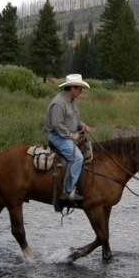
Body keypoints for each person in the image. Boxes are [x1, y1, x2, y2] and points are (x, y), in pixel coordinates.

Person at [44, 73, 92, 201]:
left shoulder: (72, 102)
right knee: (77, 158)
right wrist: (72, 135)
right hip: (58, 137)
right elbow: (57, 125)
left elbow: (74, 121)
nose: (81, 92)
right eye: (80, 89)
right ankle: (67, 190)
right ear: (73, 88)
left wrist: (83, 125)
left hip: (66, 135)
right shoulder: (59, 103)